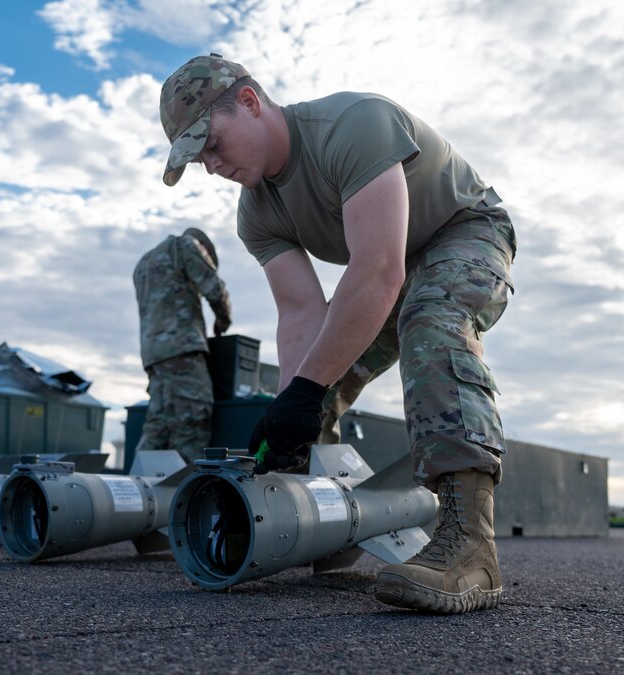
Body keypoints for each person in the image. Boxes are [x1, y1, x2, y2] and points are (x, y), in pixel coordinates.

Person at [158, 55, 517, 614]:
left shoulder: (354, 125)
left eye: (212, 143)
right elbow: (302, 315)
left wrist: (305, 388)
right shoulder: (256, 214)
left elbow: (377, 270)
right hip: (391, 266)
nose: (211, 165)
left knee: (431, 321)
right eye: (198, 156)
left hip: (462, 232)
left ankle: (471, 547)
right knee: (309, 394)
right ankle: (319, 526)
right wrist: (291, 408)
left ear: (250, 102)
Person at [133, 227, 233, 463]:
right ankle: (183, 482)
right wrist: (223, 319)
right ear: (204, 248)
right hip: (182, 349)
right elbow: (213, 287)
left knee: (158, 426)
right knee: (192, 421)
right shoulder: (185, 245)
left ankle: (140, 481)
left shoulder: (143, 263)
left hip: (154, 357)